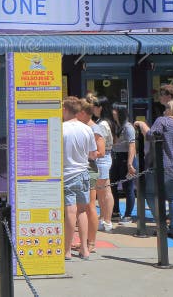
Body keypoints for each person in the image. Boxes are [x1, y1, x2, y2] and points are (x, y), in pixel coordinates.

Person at [135, 99, 173, 238]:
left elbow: (151, 135)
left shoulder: (163, 121)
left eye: (167, 107)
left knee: (149, 193)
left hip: (163, 165)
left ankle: (161, 225)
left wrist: (142, 124)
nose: (164, 109)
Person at [62, 96, 97, 260]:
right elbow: (93, 155)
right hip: (83, 172)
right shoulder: (87, 129)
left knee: (70, 211)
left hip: (67, 173)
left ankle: (67, 250)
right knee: (82, 211)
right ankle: (84, 248)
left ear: (65, 110)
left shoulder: (61, 129)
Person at [78, 95, 106, 250]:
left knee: (89, 206)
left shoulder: (95, 128)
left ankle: (91, 243)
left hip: (89, 168)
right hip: (81, 167)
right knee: (81, 206)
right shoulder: (82, 126)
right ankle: (85, 240)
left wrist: (82, 153)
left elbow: (100, 151)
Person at [110, 102, 136, 222]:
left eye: (115, 110)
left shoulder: (128, 127)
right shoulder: (115, 126)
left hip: (126, 158)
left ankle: (128, 214)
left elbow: (132, 146)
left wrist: (130, 164)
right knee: (113, 186)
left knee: (128, 188)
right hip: (115, 157)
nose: (113, 112)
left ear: (120, 112)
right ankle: (115, 211)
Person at [92, 95, 116, 233]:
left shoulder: (103, 124)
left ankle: (107, 220)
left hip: (103, 156)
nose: (93, 109)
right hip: (103, 157)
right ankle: (103, 218)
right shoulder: (104, 122)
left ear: (100, 107)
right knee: (101, 191)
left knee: (105, 190)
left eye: (95, 106)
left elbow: (100, 142)